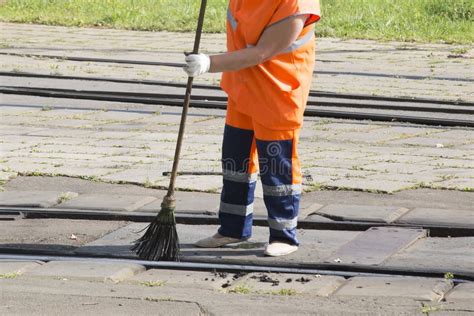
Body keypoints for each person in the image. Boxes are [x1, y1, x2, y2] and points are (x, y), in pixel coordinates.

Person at [184, 0, 321, 257]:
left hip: (277, 91)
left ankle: (284, 236)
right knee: (236, 160)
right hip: (243, 86)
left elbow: (262, 52)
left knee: (276, 165)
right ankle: (232, 229)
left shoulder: (296, 4)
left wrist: (208, 63)